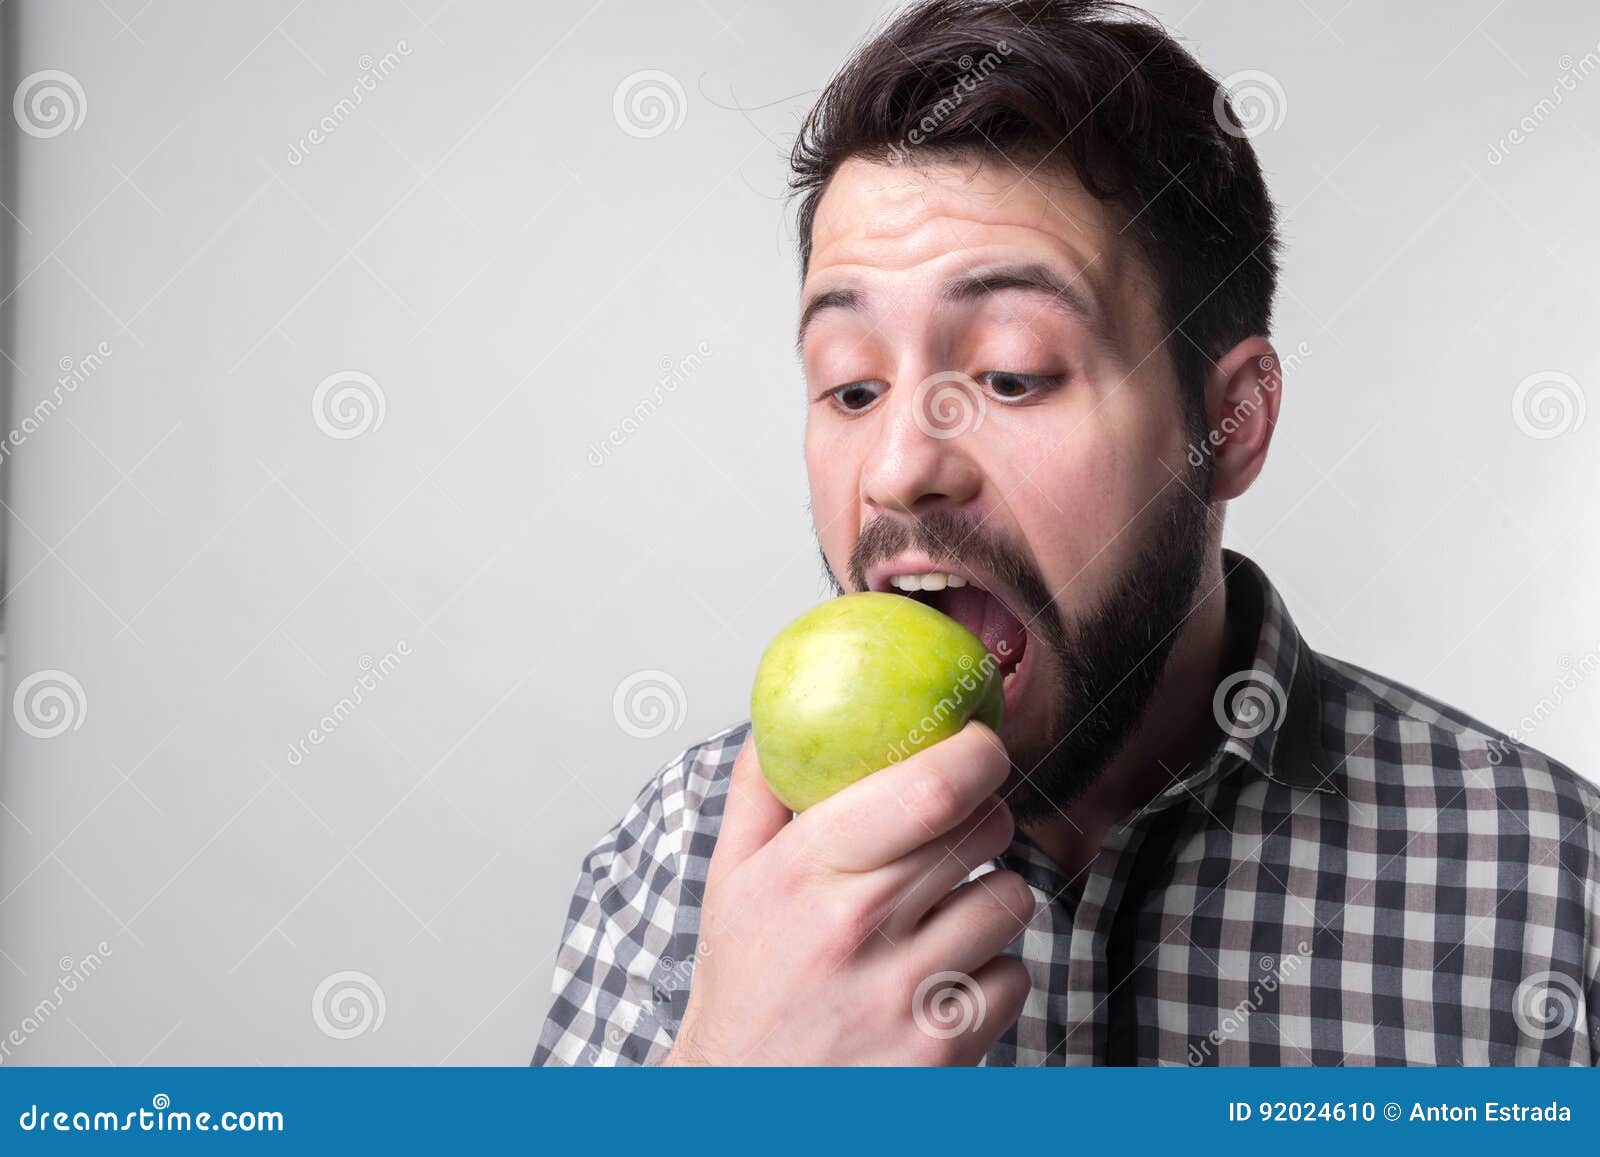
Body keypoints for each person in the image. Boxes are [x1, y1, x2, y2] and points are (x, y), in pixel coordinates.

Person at [534, 0, 1599, 1066]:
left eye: (1010, 373)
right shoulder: (680, 857)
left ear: (1230, 425)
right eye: (851, 387)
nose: (901, 468)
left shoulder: (1552, 885)